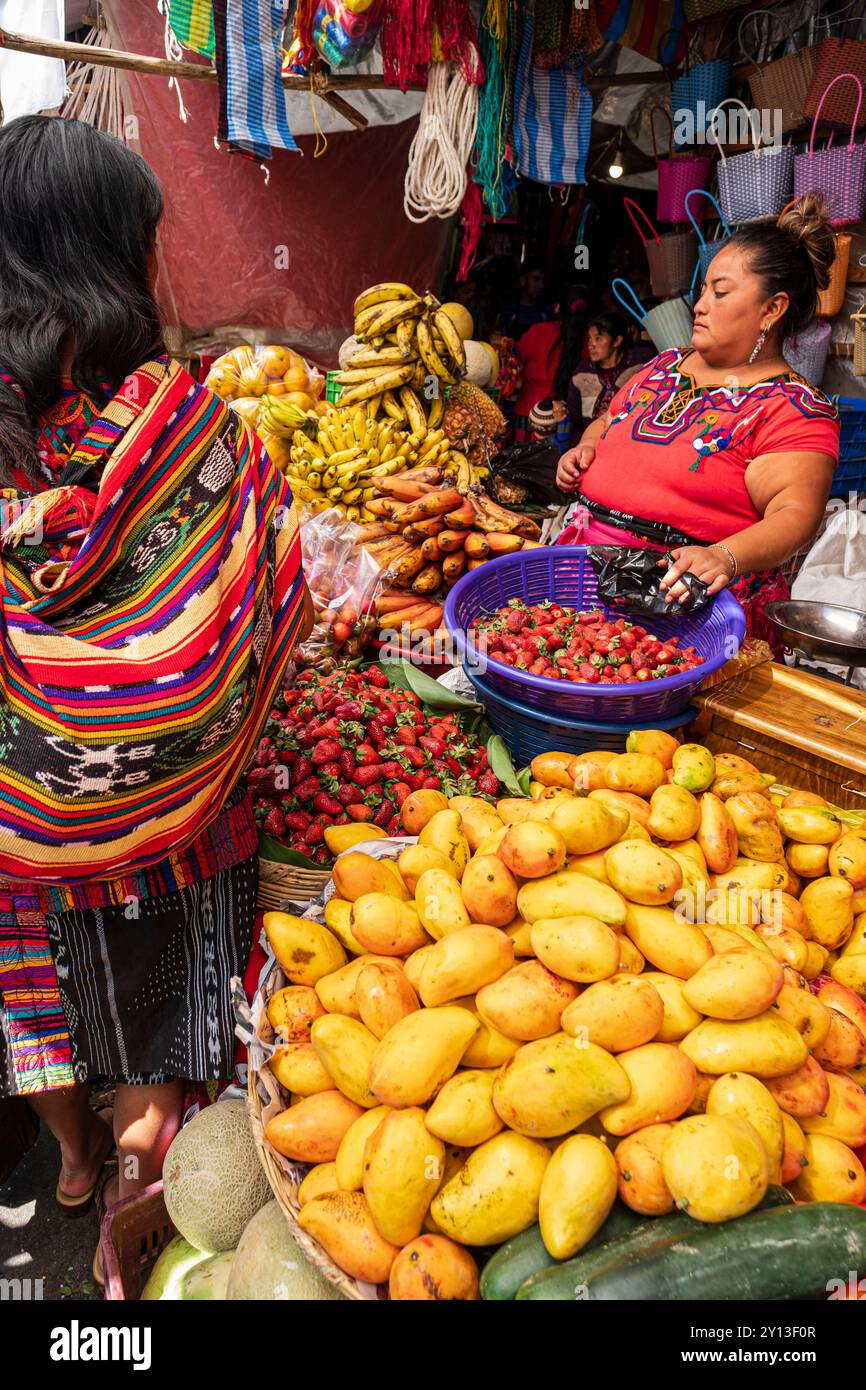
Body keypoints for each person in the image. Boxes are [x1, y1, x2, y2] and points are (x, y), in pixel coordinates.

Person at [0, 116, 312, 1272]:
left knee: (36, 981)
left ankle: (73, 1160)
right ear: (112, 253)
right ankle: (141, 1170)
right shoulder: (186, 423)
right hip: (175, 826)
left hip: (19, 821)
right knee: (154, 982)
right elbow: (277, 589)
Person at [555, 195, 840, 649]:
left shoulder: (793, 408)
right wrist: (586, 448)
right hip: (580, 578)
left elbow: (795, 514)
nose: (700, 304)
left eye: (720, 293)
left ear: (773, 309)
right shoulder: (664, 366)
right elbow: (609, 420)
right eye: (703, 289)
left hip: (678, 608)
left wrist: (725, 555)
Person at [513, 297, 586, 443]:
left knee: (522, 462)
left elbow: (515, 365)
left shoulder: (538, 331)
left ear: (557, 308)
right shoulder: (586, 340)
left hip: (529, 416)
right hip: (562, 419)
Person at [566, 311, 649, 436]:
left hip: (629, 437)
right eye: (590, 339)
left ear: (617, 341)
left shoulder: (641, 364)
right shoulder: (582, 372)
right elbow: (574, 415)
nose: (591, 345)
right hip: (593, 440)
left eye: (598, 339)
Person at [498, 260, 554, 337]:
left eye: (543, 281)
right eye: (536, 279)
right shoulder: (508, 309)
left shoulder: (546, 310)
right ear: (522, 280)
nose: (541, 285)